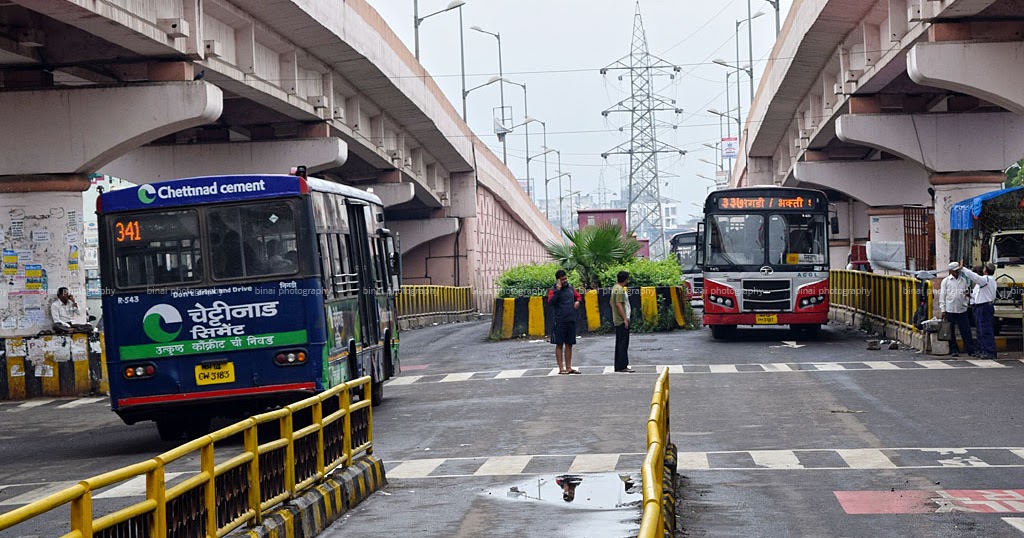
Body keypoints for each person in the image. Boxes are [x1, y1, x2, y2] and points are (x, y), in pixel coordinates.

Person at [547, 269, 581, 374]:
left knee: (569, 344)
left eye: (565, 278)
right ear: (558, 280)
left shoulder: (570, 288)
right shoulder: (553, 290)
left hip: (570, 319)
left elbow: (578, 296)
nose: (565, 281)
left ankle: (569, 367)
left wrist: (577, 301)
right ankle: (561, 368)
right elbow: (550, 302)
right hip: (559, 321)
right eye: (562, 279)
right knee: (559, 344)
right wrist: (557, 291)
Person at [961, 261, 997, 359]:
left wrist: (963, 269)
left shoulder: (986, 279)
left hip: (984, 307)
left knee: (985, 330)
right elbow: (978, 295)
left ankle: (989, 351)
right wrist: (970, 295)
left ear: (986, 271)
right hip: (981, 307)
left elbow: (975, 277)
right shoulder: (986, 281)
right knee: (981, 331)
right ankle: (983, 350)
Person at [940, 262, 975, 357]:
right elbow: (942, 296)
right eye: (955, 271)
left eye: (958, 270)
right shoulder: (946, 281)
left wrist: (966, 302)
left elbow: (967, 293)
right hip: (950, 309)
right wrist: (943, 310)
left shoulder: (963, 281)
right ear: (951, 271)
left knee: (966, 330)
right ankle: (954, 350)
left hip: (962, 309)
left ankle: (970, 349)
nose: (957, 272)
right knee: (951, 331)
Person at [611, 270, 633, 372]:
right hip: (621, 320)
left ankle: (619, 365)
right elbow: (618, 304)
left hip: (617, 319)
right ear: (626, 279)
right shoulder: (620, 290)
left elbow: (611, 302)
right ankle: (622, 365)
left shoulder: (615, 288)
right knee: (623, 344)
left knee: (619, 343)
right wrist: (624, 319)